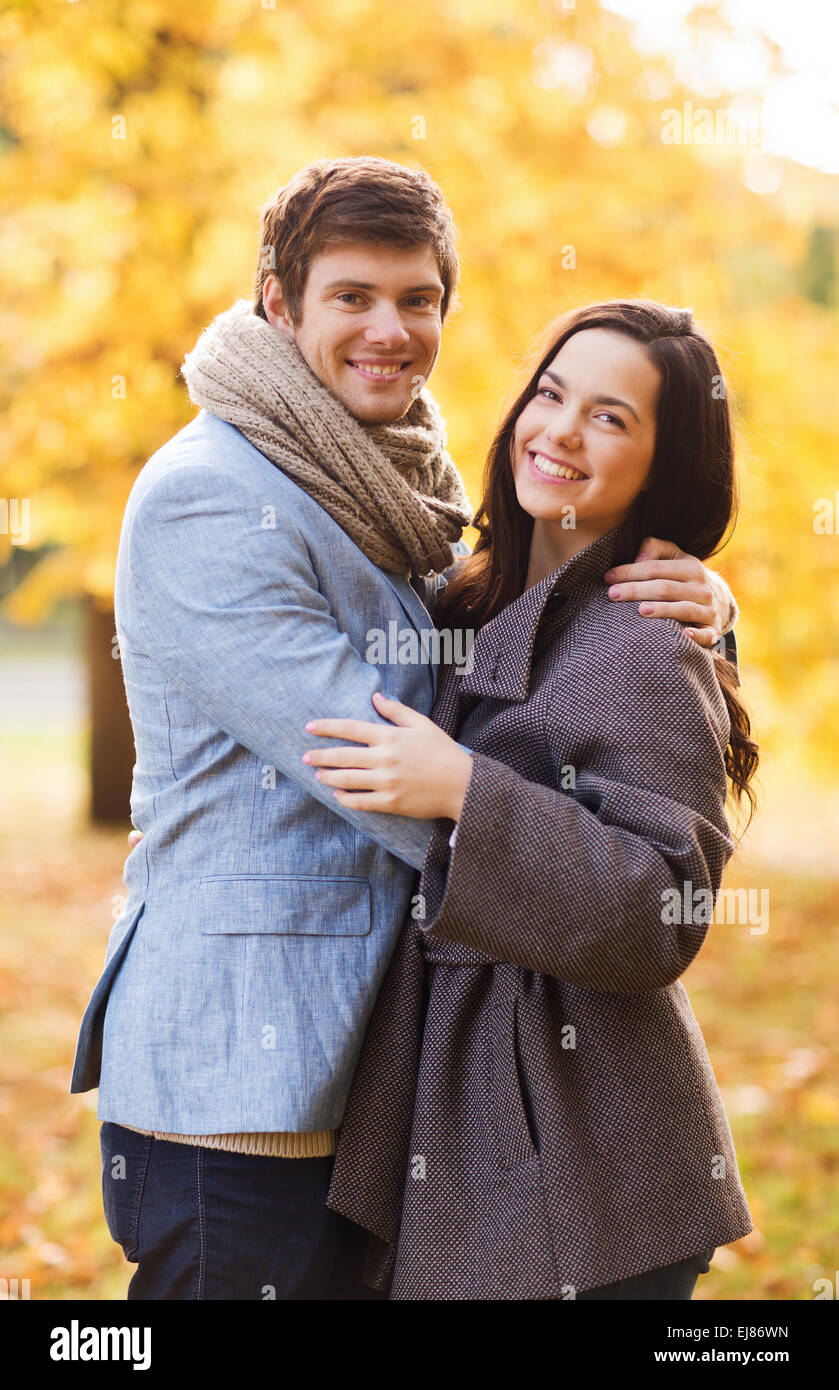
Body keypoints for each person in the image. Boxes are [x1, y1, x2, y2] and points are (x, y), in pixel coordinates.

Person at [70, 154, 739, 1300]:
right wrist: (496, 795)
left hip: (387, 1092)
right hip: (250, 1087)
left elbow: (524, 671)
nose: (390, 329)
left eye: (417, 299)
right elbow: (379, 762)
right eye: (351, 296)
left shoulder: (387, 492)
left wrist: (701, 628)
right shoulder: (214, 494)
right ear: (277, 302)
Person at [315, 299, 758, 1300]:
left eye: (609, 418)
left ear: (663, 466)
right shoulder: (469, 600)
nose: (558, 430)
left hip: (584, 1160)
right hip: (465, 1120)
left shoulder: (648, 639)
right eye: (550, 394)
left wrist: (468, 793)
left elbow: (662, 907)